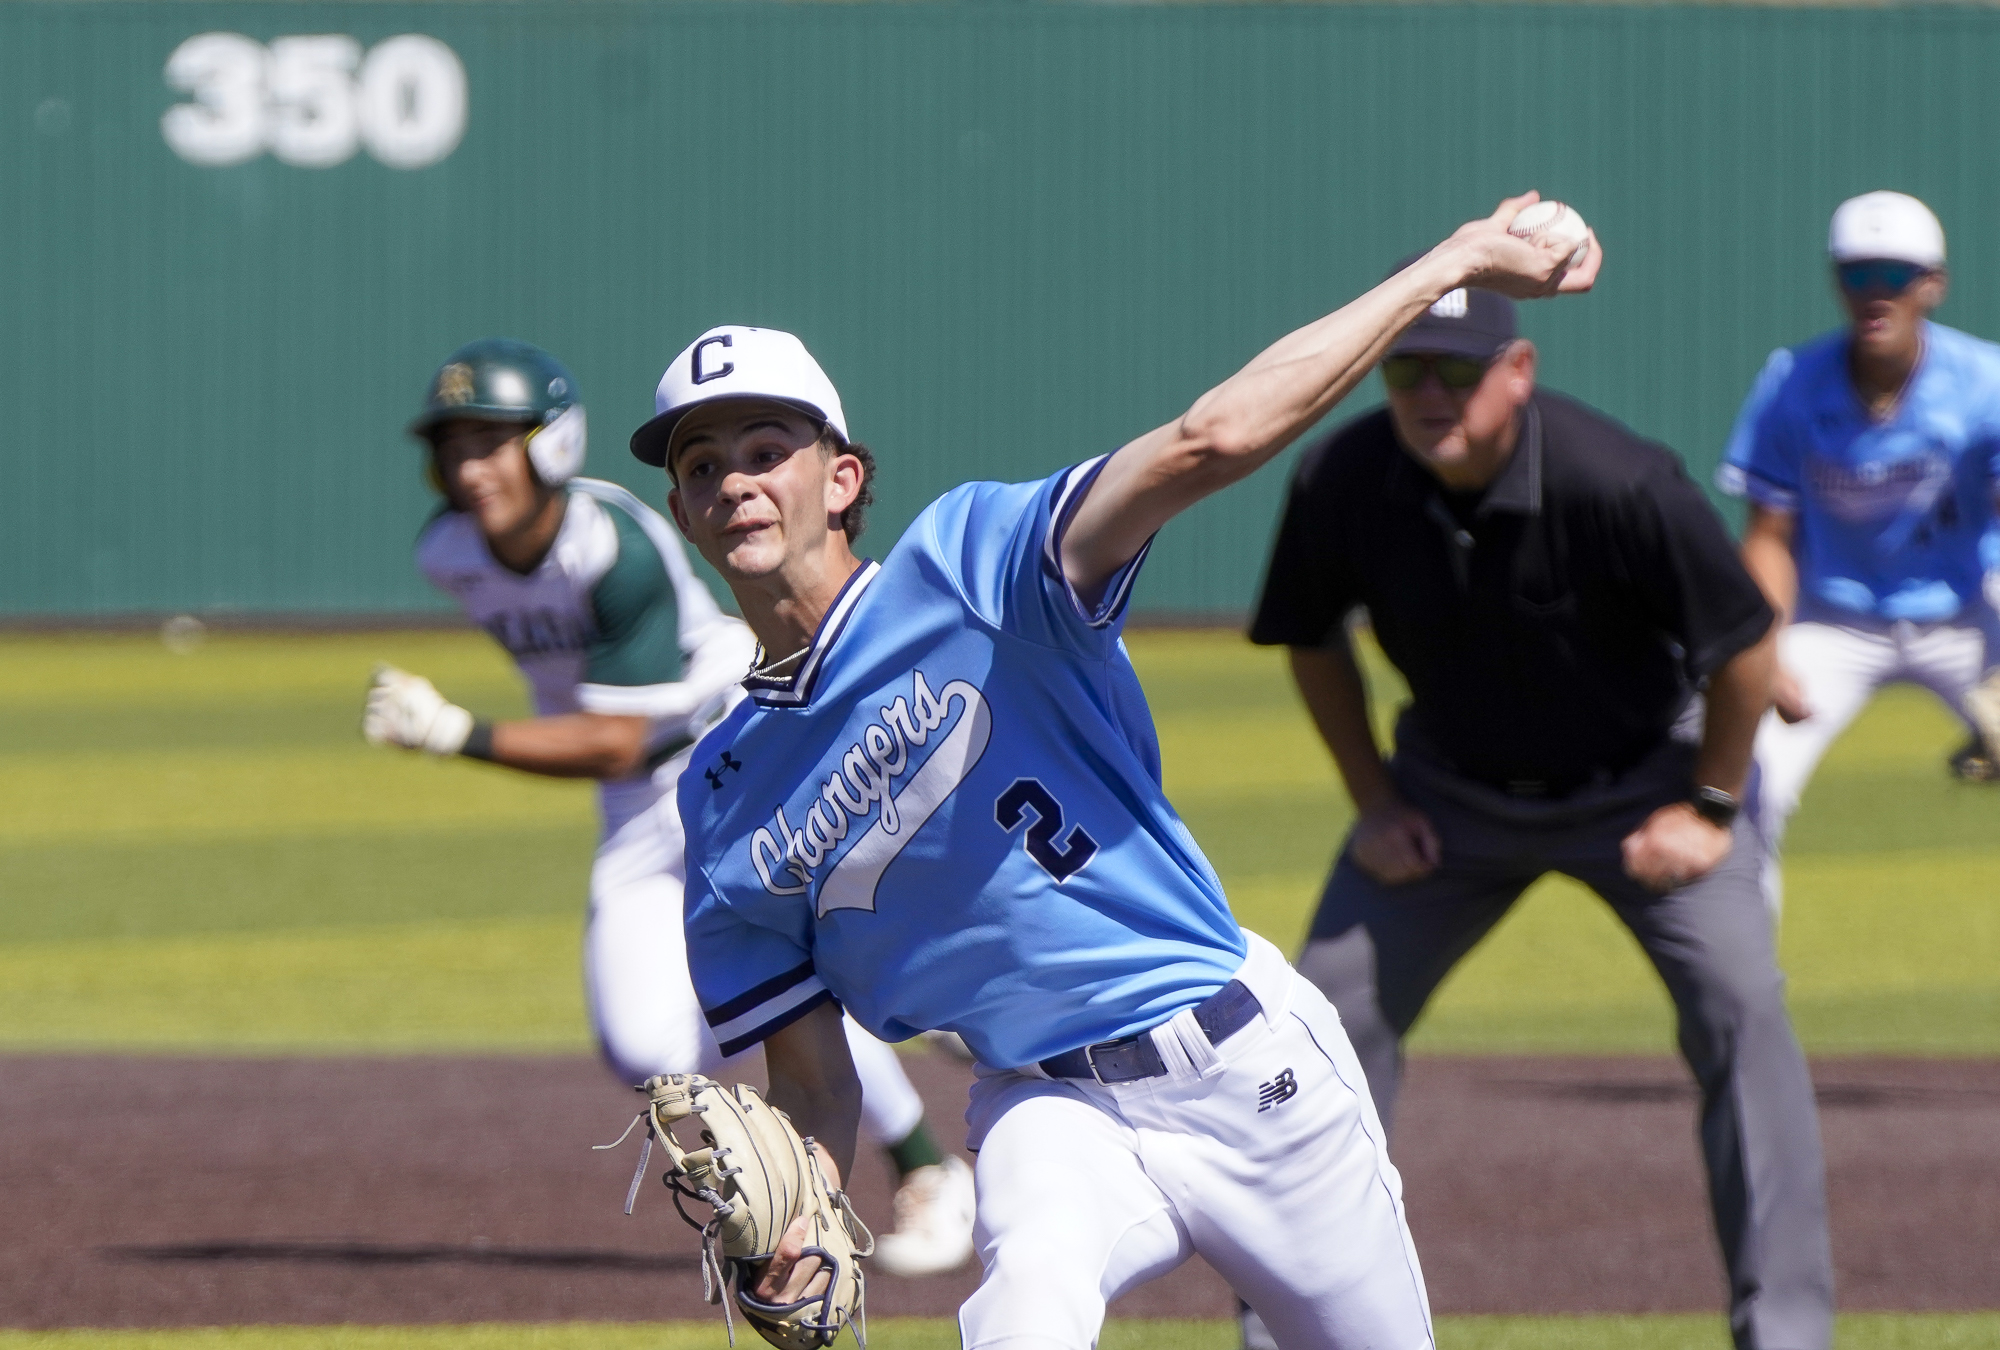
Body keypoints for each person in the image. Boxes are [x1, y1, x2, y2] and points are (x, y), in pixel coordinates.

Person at [634, 194, 1597, 1348]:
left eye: (763, 451)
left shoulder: (976, 564)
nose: (732, 480)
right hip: (1047, 1107)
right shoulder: (727, 796)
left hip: (1244, 1068)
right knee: (1018, 1322)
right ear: (684, 511)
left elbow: (1211, 441)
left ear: (840, 480)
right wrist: (793, 1231)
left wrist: (1454, 261)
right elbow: (814, 1082)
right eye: (700, 463)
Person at [1245, 272, 1834, 1350]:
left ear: (1515, 373)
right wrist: (1372, 800)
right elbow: (1305, 634)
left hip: (1643, 781)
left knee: (1741, 1010)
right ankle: (1294, 1334)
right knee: (1316, 1022)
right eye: (1406, 369)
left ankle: (1785, 1336)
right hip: (1448, 794)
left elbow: (1745, 645)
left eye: (1456, 371)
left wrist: (1709, 808)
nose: (1429, 393)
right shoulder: (1343, 475)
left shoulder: (1619, 481)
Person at [361, 338, 975, 1276]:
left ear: (553, 444)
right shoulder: (449, 551)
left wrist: (455, 733)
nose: (469, 467)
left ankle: (923, 1167)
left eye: (493, 440)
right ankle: (856, 1023)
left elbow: (619, 736)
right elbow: (605, 743)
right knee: (643, 1045)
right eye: (453, 447)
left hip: (732, 764)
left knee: (792, 981)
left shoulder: (611, 544)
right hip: (629, 804)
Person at [1718, 191, 2000, 912]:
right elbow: (1769, 537)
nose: (1877, 292)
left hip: (1964, 611)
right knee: (1744, 780)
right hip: (1833, 616)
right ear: (1837, 280)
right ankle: (1746, 1002)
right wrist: (1766, 650)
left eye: (1896, 274)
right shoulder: (1793, 384)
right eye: (1858, 272)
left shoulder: (1984, 384)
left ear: (1933, 283)